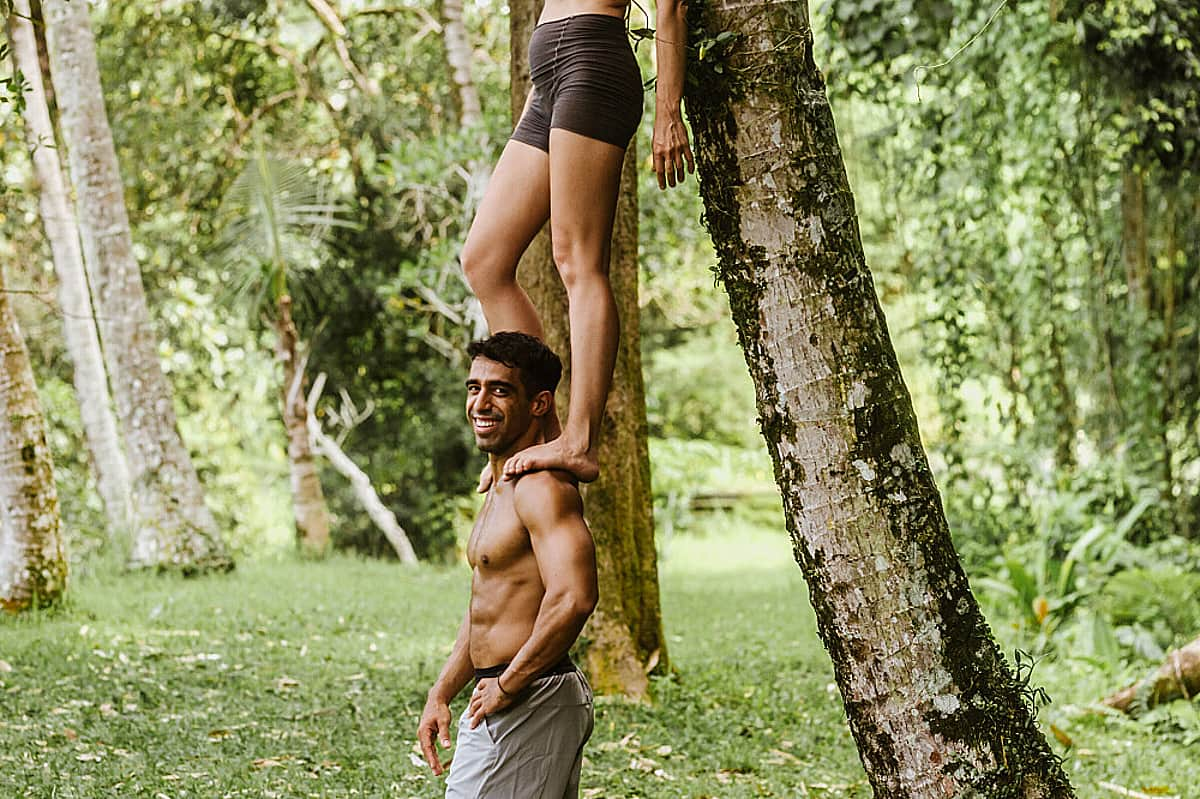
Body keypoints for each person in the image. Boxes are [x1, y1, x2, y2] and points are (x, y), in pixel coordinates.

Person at [461, 0, 693, 487]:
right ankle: (537, 428)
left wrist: (669, 113)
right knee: (484, 261)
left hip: (592, 62)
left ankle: (580, 441)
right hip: (547, 80)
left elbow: (671, 6)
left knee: (578, 262)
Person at [418, 332, 599, 798]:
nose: (481, 402)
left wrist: (509, 685)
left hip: (530, 694)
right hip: (508, 691)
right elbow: (488, 606)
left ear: (539, 404)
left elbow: (575, 597)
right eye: (474, 387)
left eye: (500, 390)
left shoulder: (540, 488)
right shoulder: (500, 485)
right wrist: (442, 692)